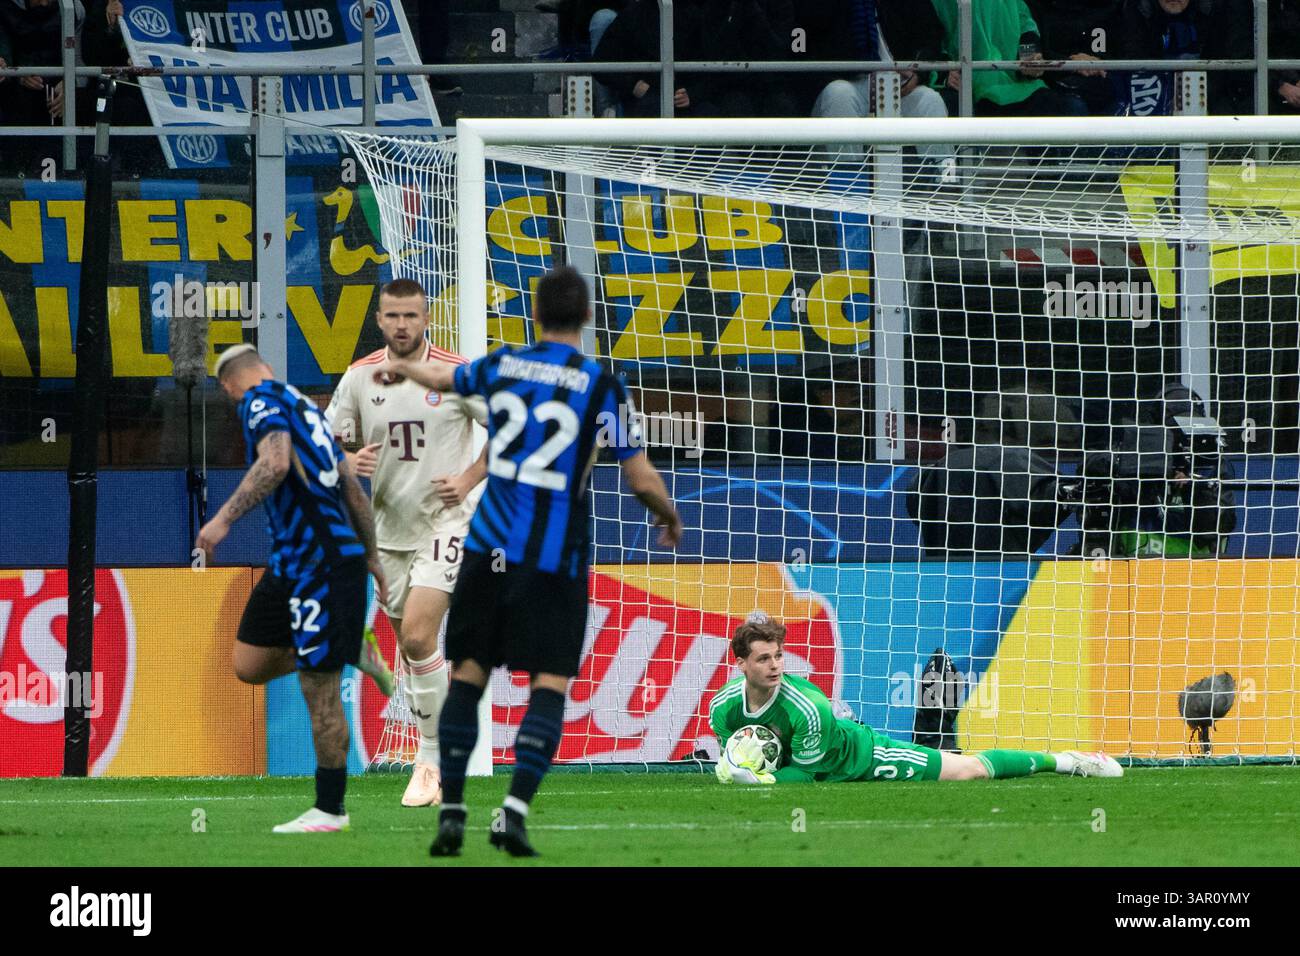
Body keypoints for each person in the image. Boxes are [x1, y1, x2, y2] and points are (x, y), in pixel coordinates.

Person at [372, 266, 684, 857]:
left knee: (468, 676)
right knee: (549, 684)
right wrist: (667, 514)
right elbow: (639, 476)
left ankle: (452, 811)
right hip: (554, 562)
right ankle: (512, 813)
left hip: (487, 552)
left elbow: (442, 375)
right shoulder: (601, 385)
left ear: (535, 315)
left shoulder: (505, 364)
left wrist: (401, 368)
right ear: (587, 316)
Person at [197, 345, 394, 834]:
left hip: (319, 564)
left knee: (318, 688)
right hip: (291, 563)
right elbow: (351, 486)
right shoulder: (305, 407)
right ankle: (348, 647)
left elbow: (275, 462)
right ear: (265, 367)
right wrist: (372, 555)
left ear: (228, 386)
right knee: (248, 665)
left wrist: (221, 521)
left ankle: (330, 809)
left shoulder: (258, 402)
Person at [326, 278, 488, 808]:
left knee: (418, 637)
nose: (401, 325)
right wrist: (347, 461)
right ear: (379, 319)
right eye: (392, 316)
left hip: (446, 524)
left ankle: (431, 759)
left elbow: (512, 429)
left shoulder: (456, 373)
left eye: (411, 315)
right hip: (387, 533)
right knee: (412, 648)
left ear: (426, 318)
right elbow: (326, 443)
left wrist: (467, 479)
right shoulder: (360, 377)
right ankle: (437, 751)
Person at [711, 612, 1124, 784]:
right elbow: (736, 753)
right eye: (763, 659)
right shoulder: (722, 708)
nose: (775, 665)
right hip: (818, 765)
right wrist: (735, 768)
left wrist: (756, 781)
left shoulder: (809, 706)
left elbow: (802, 777)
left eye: (779, 656)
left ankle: (1067, 760)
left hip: (859, 757)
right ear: (741, 664)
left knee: (968, 771)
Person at [929, 0, 1088, 117]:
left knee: (1073, 108)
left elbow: (1027, 31)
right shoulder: (935, 4)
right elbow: (928, 43)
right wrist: (943, 73)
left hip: (1016, 85)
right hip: (965, 88)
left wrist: (1031, 61)